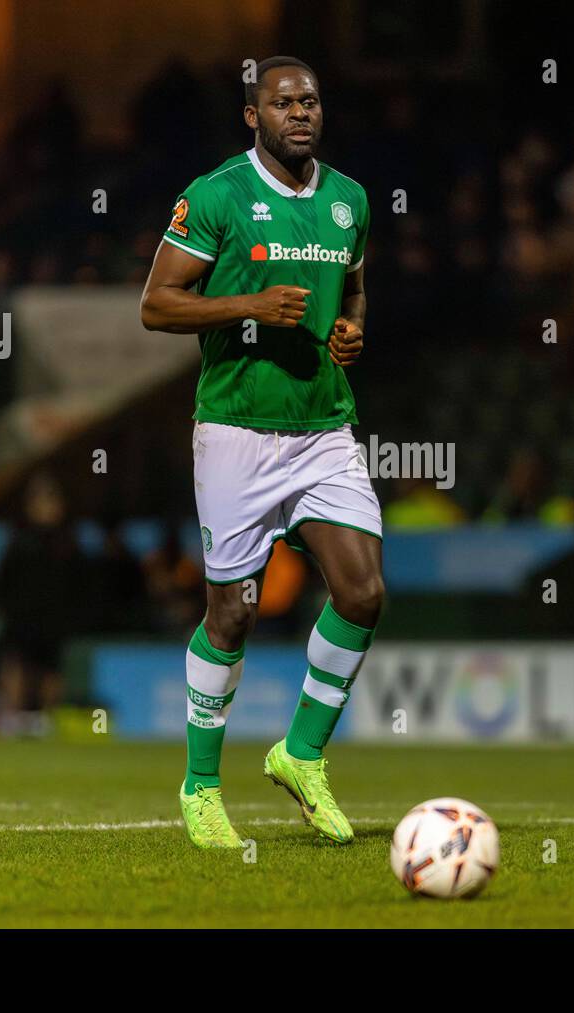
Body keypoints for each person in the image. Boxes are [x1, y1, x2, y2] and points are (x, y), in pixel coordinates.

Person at [141, 56, 383, 849]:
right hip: (238, 431)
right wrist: (248, 305)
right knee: (233, 614)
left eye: (310, 100)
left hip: (323, 430)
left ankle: (301, 754)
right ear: (254, 116)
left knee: (362, 593)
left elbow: (351, 288)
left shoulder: (348, 201)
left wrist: (351, 326)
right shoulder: (216, 195)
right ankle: (201, 786)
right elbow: (156, 305)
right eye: (283, 103)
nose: (300, 113)